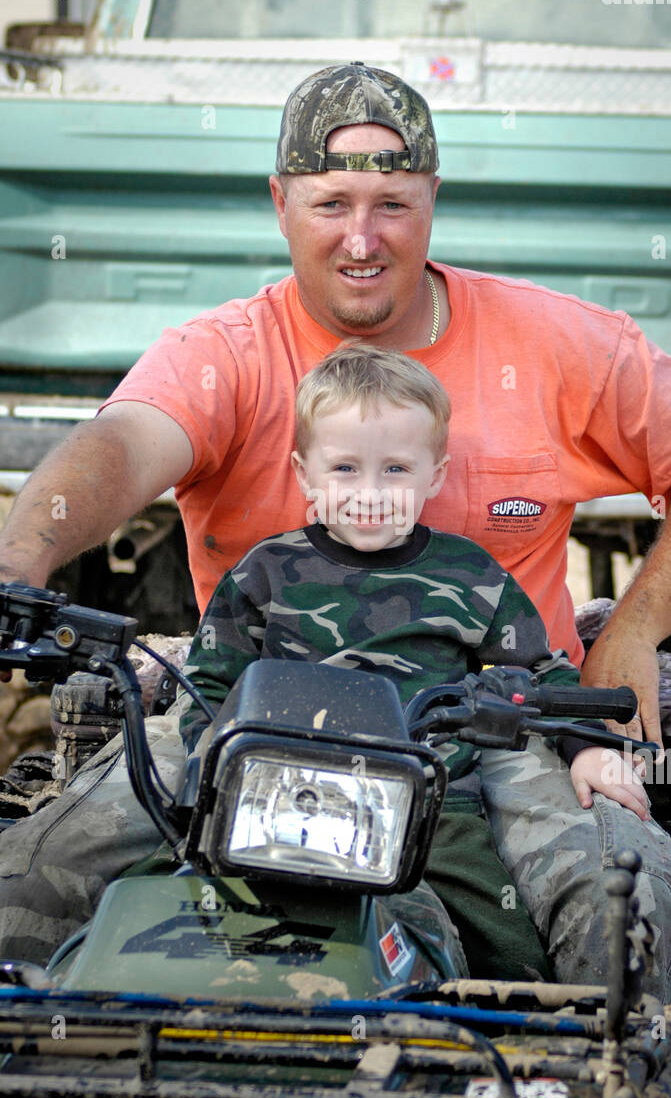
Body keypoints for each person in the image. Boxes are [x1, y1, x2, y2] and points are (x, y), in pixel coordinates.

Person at [0, 64, 671, 1000]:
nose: (363, 239)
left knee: (621, 904)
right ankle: (28, 1088)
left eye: (393, 204)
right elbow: (121, 448)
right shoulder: (226, 355)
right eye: (332, 202)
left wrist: (636, 625)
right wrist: (21, 551)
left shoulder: (555, 345)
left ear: (433, 201)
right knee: (35, 866)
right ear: (281, 204)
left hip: (493, 720)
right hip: (246, 700)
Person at [177, 342, 645, 980]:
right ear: (304, 472)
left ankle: (516, 1048)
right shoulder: (266, 572)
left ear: (436, 474)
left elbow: (540, 673)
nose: (370, 493)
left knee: (505, 943)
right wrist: (211, 761)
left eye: (396, 470)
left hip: (434, 801)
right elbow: (210, 680)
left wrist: (587, 746)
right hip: (284, 794)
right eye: (344, 468)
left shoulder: (468, 574)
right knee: (178, 892)